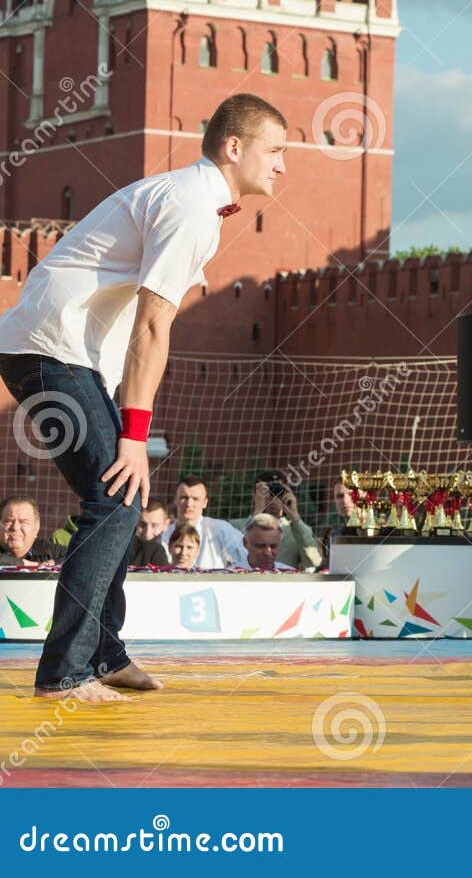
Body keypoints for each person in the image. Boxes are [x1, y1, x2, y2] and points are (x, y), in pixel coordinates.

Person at [0, 93, 286, 701]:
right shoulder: (191, 208)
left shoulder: (193, 201)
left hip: (57, 352)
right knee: (114, 496)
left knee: (120, 500)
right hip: (49, 351)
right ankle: (65, 673)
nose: (284, 165)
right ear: (234, 148)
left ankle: (104, 654)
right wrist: (133, 435)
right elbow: (153, 325)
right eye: (276, 149)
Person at [234, 472, 322, 571]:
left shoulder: (297, 530)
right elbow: (236, 553)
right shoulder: (236, 526)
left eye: (278, 491)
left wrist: (295, 518)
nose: (273, 497)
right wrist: (257, 513)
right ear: (255, 495)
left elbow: (314, 561)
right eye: (266, 491)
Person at [164, 475, 248, 571]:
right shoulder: (164, 534)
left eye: (195, 499)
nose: (189, 504)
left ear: (205, 503)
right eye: (184, 497)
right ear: (176, 499)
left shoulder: (220, 529)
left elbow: (247, 557)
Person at [0, 496, 62, 567]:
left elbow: (73, 554)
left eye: (23, 522)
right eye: (9, 521)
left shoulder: (47, 549)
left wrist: (55, 562)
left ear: (36, 528)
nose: (15, 527)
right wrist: (22, 563)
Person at [130, 502, 171, 567]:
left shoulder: (178, 552)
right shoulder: (125, 553)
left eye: (154, 525)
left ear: (166, 524)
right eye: (142, 525)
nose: (147, 533)